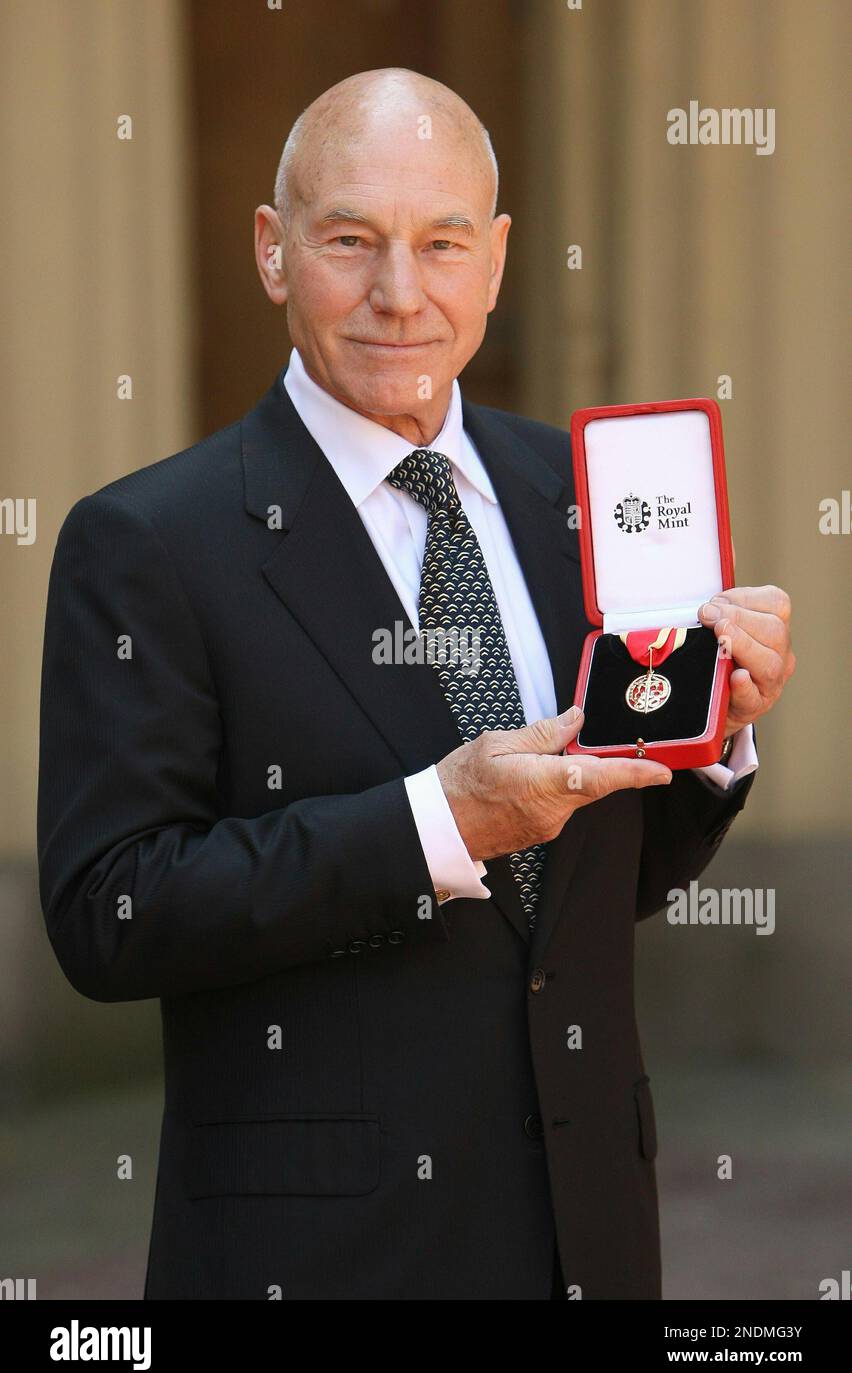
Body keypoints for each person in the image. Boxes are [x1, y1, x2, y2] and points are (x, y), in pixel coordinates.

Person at [37, 68, 795, 1300]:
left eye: (442, 243)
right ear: (274, 252)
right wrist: (433, 823)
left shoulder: (578, 497)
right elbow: (108, 911)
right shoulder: (148, 544)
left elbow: (584, 898)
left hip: (589, 1238)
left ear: (495, 263)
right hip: (324, 1258)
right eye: (352, 240)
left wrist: (710, 740)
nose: (402, 294)